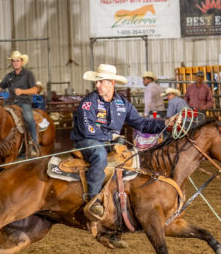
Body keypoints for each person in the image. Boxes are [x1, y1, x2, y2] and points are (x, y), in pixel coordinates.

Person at [71, 63, 166, 219]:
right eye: (96, 81)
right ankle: (93, 200)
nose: (97, 85)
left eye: (101, 81)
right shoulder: (89, 102)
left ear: (112, 83)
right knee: (99, 155)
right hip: (87, 140)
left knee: (128, 158)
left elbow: (142, 124)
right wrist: (111, 138)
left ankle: (121, 197)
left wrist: (165, 124)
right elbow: (87, 129)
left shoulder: (122, 103)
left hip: (110, 142)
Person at [0, 50, 39, 156]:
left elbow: (35, 90)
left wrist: (22, 91)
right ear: (11, 63)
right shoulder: (9, 76)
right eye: (14, 61)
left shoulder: (28, 74)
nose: (16, 63)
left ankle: (34, 144)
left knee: (29, 119)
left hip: (24, 103)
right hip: (10, 103)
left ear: (21, 62)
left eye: (17, 61)